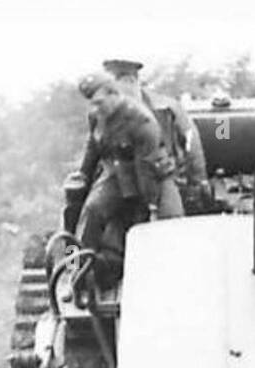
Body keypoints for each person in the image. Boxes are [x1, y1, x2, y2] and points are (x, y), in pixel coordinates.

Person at [73, 75, 182, 277]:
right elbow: (93, 146)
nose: (95, 109)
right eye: (92, 104)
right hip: (118, 172)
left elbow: (146, 169)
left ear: (114, 94)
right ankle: (76, 268)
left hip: (155, 175)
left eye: (99, 103)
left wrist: (150, 205)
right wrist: (83, 174)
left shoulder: (142, 120)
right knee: (92, 210)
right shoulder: (98, 115)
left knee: (169, 227)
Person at [103, 58, 212, 211]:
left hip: (162, 175)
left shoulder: (167, 108)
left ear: (133, 81)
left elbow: (191, 143)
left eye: (126, 79)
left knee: (170, 221)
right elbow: (97, 148)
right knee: (94, 211)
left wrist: (199, 181)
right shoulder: (106, 111)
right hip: (122, 180)